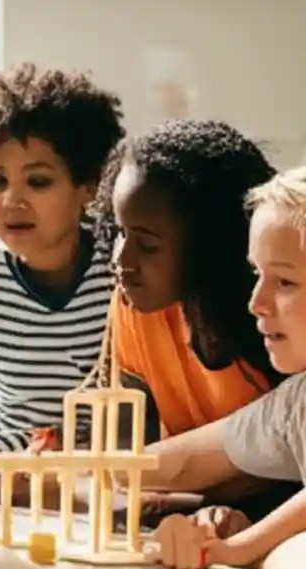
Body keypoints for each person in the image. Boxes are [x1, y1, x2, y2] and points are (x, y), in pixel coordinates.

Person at [0, 62, 125, 505]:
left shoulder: (118, 274)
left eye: (38, 181)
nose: (12, 200)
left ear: (88, 186)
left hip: (71, 488)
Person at [91, 119, 292, 532]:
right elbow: (138, 462)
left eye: (147, 244)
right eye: (118, 233)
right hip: (196, 517)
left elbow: (286, 466)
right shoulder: (133, 307)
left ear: (209, 242)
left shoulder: (275, 319)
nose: (122, 261)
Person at [147, 166, 306, 569]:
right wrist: (35, 476)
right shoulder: (296, 401)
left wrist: (241, 547)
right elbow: (175, 464)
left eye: (285, 282)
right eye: (257, 274)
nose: (256, 301)